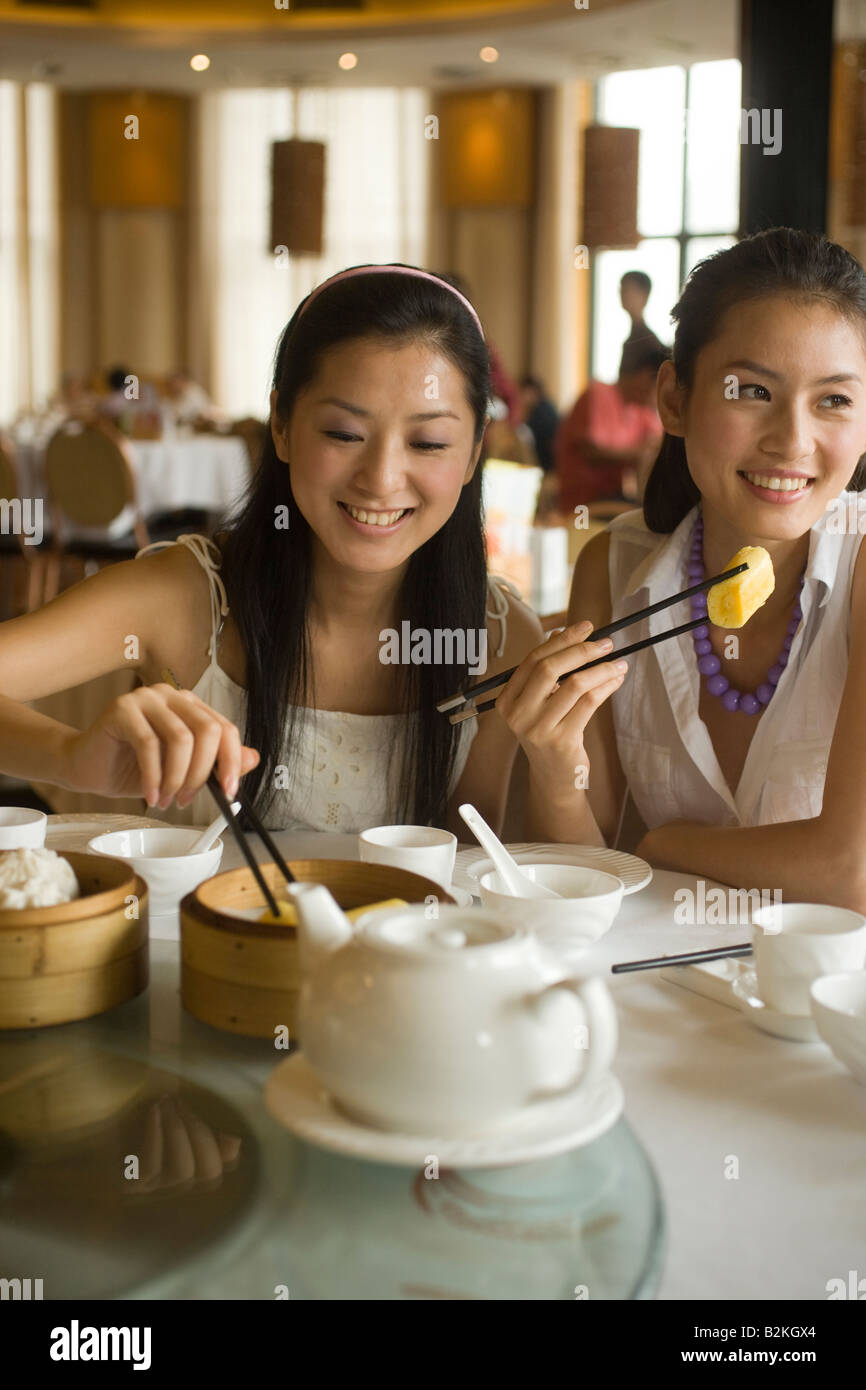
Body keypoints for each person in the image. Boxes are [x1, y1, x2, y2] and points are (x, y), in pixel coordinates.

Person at [0, 265, 628, 839]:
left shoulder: (496, 641)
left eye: (428, 442)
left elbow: (511, 884)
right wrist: (69, 757)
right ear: (281, 423)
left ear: (472, 454)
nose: (382, 478)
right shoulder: (186, 597)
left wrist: (557, 768)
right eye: (343, 433)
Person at [495, 227, 866, 911]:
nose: (792, 439)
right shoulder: (613, 565)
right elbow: (586, 866)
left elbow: (851, 872)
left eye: (834, 400)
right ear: (673, 398)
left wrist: (661, 845)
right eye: (753, 390)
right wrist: (553, 762)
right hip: (663, 992)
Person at [553, 345, 667, 513]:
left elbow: (658, 444)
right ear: (644, 378)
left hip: (613, 497)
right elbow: (591, 453)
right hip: (583, 506)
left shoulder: (640, 410)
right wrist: (639, 453)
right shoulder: (599, 394)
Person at [619, 270, 668, 376]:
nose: (622, 294)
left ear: (644, 295)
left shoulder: (647, 341)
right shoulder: (637, 336)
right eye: (622, 289)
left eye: (628, 289)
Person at [518, 375, 559, 473]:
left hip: (550, 463)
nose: (521, 397)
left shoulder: (543, 411)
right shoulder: (545, 406)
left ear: (532, 391)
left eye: (523, 392)